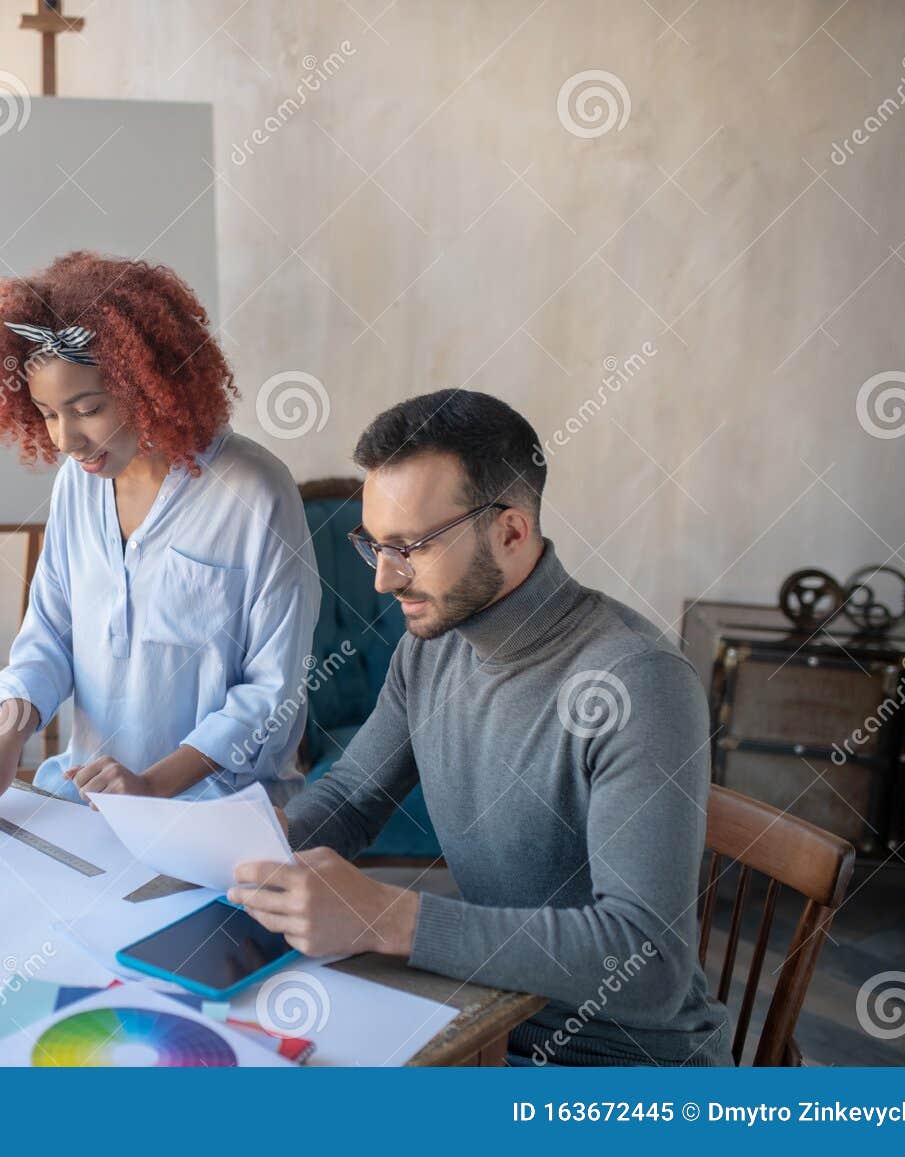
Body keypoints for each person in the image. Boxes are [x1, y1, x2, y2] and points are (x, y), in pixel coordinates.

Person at [227, 388, 732, 1066]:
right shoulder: (430, 648)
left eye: (411, 547)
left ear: (511, 532)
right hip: (482, 1017)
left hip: (618, 1061)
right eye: (375, 546)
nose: (383, 580)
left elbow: (649, 965)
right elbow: (351, 795)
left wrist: (389, 916)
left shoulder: (639, 681)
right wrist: (257, 850)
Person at [0, 251, 320, 833]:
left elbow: (272, 692)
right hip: (89, 803)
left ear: (148, 387)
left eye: (87, 409)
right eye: (46, 414)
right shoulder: (78, 485)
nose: (65, 439)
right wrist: (4, 741)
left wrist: (152, 787)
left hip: (221, 814)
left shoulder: (255, 492)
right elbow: (50, 634)